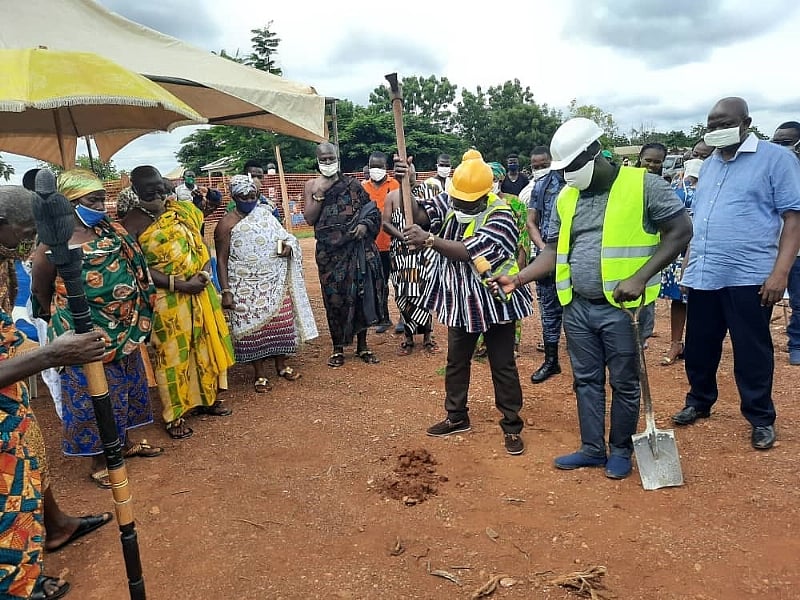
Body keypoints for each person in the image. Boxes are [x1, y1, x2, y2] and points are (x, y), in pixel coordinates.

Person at [493, 117, 692, 478]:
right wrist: (519, 278)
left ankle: (619, 450)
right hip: (578, 307)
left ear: (594, 153)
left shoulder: (643, 185)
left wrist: (640, 276)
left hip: (624, 309)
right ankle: (591, 448)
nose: (566, 175)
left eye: (571, 167)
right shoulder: (568, 197)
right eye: (561, 169)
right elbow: (554, 251)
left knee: (624, 382)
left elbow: (681, 232)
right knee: (585, 380)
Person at [672, 98, 800, 451]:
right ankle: (699, 400)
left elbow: (793, 218)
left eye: (723, 123)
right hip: (704, 272)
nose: (716, 130)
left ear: (747, 122)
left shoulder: (777, 159)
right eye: (711, 125)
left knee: (751, 350)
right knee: (699, 346)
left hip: (750, 276)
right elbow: (699, 221)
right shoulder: (709, 164)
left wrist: (781, 274)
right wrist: (688, 266)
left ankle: (760, 417)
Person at [1, 184, 109, 600]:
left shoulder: (3, 257)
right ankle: (15, 587)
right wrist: (51, 355)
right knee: (8, 501)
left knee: (33, 468)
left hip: (11, 400)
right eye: (26, 231)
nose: (32, 241)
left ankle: (56, 527)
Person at [31, 169, 161, 489]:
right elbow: (41, 288)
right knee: (92, 394)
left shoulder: (109, 230)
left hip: (124, 330)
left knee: (126, 388)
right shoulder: (53, 243)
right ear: (71, 202)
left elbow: (134, 267)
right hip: (84, 335)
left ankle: (124, 442)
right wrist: (62, 318)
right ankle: (100, 460)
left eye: (103, 198)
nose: (101, 205)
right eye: (93, 199)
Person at [401, 149, 534, 456]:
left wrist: (430, 240)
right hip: (459, 299)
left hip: (495, 301)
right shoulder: (451, 198)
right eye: (456, 197)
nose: (458, 203)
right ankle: (456, 416)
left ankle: (512, 425)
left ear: (484, 194)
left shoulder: (501, 215)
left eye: (465, 200)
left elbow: (470, 251)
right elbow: (421, 216)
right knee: (456, 362)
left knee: (502, 365)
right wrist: (407, 184)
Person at [122, 166, 235, 440]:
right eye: (150, 190)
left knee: (204, 347)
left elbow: (199, 240)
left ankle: (207, 399)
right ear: (136, 191)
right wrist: (181, 285)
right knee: (172, 357)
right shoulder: (130, 224)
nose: (158, 194)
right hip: (167, 300)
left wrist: (202, 275)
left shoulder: (181, 211)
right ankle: (175, 414)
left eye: (160, 187)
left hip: (200, 290)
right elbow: (137, 269)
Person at [215, 175, 318, 392]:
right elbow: (222, 260)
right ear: (234, 197)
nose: (249, 199)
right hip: (243, 284)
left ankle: (282, 365)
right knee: (252, 330)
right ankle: (259, 373)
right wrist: (226, 291)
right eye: (244, 196)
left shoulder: (266, 214)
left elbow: (283, 237)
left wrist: (288, 246)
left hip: (274, 281)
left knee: (280, 323)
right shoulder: (225, 224)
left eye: (253, 195)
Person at [303, 142, 385, 368]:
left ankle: (363, 346)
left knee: (359, 295)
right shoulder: (311, 185)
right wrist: (319, 195)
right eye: (324, 159)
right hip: (329, 255)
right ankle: (337, 348)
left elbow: (371, 211)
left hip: (355, 250)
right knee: (334, 299)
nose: (328, 162)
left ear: (338, 158)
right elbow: (309, 219)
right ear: (318, 160)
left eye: (331, 158)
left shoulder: (353, 185)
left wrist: (365, 227)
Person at [382, 158, 439, 356]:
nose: (409, 178)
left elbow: (433, 221)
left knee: (425, 293)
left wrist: (420, 238)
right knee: (403, 294)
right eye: (406, 175)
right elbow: (386, 224)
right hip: (400, 253)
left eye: (412, 175)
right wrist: (403, 237)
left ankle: (427, 337)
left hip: (424, 252)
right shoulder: (392, 196)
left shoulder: (427, 195)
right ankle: (408, 338)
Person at [473, 162, 529, 358]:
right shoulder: (479, 203)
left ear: (501, 179)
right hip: (485, 261)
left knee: (509, 300)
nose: (492, 185)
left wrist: (521, 267)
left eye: (495, 180)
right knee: (483, 299)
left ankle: (510, 344)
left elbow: (523, 235)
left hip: (510, 261)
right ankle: (483, 344)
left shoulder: (515, 203)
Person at [526, 146, 566, 383]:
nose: (540, 169)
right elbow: (532, 222)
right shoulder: (541, 186)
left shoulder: (574, 183)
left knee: (575, 312)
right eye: (536, 165)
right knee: (548, 311)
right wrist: (544, 250)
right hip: (547, 258)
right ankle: (551, 361)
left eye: (544, 164)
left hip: (574, 259)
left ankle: (583, 365)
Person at [659, 157, 703, 366]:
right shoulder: (677, 188)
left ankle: (698, 346)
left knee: (703, 300)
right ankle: (676, 343)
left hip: (706, 249)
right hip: (679, 250)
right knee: (679, 297)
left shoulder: (712, 186)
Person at [771, 121, 800, 365]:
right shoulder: (770, 170)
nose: (780, 148)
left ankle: (797, 344)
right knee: (763, 297)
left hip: (797, 253)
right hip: (769, 250)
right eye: (776, 142)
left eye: (786, 143)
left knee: (799, 302)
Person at [362, 151, 400, 333]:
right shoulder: (362, 187)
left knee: (401, 282)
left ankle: (404, 318)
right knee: (380, 283)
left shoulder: (395, 185)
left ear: (387, 168)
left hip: (394, 243)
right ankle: (383, 317)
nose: (376, 170)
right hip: (373, 246)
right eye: (373, 166)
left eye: (380, 166)